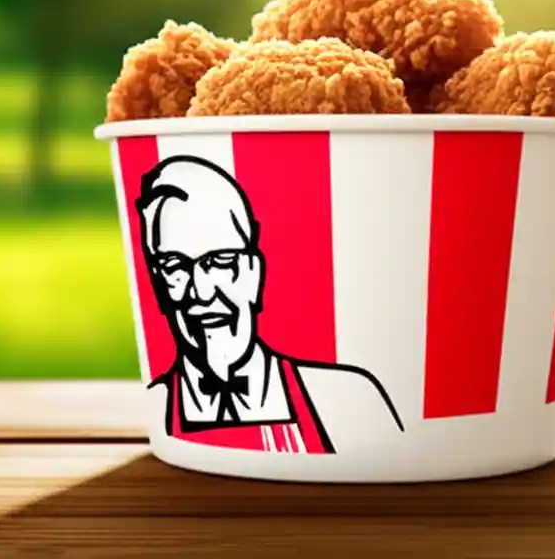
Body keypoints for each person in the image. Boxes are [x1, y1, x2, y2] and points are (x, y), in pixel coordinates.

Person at [137, 156, 403, 454]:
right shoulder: (156, 407)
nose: (202, 290)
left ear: (253, 272)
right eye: (175, 266)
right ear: (158, 283)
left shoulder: (349, 397)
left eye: (221, 261)